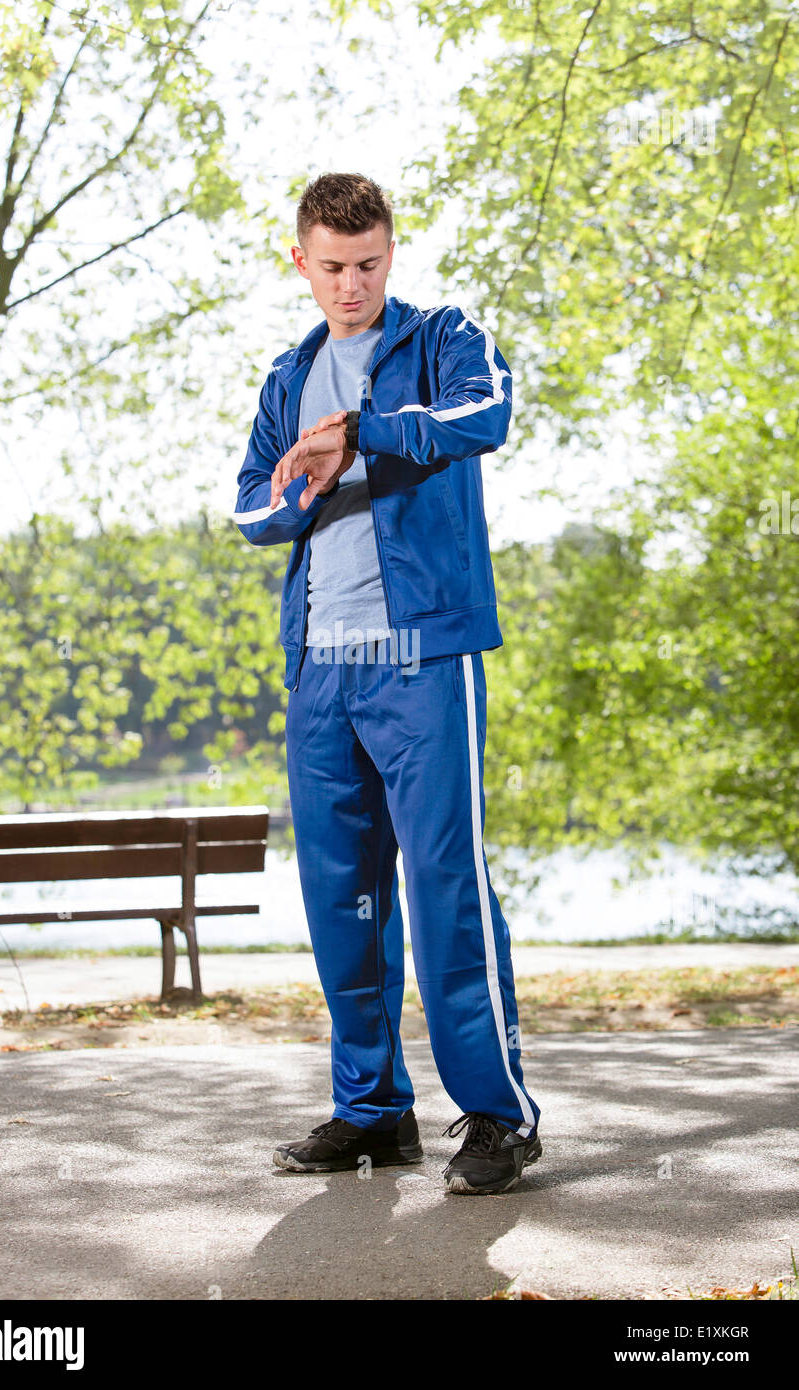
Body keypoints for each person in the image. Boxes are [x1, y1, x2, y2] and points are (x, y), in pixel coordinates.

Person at [232, 172, 542, 1195]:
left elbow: (483, 417)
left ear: (389, 253)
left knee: (446, 885)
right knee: (342, 897)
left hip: (422, 659)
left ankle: (497, 1118)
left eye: (367, 263)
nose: (351, 283)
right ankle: (373, 1112)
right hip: (322, 665)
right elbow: (249, 508)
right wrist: (302, 481)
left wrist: (362, 431)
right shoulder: (285, 375)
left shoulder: (443, 338)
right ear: (301, 262)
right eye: (331, 267)